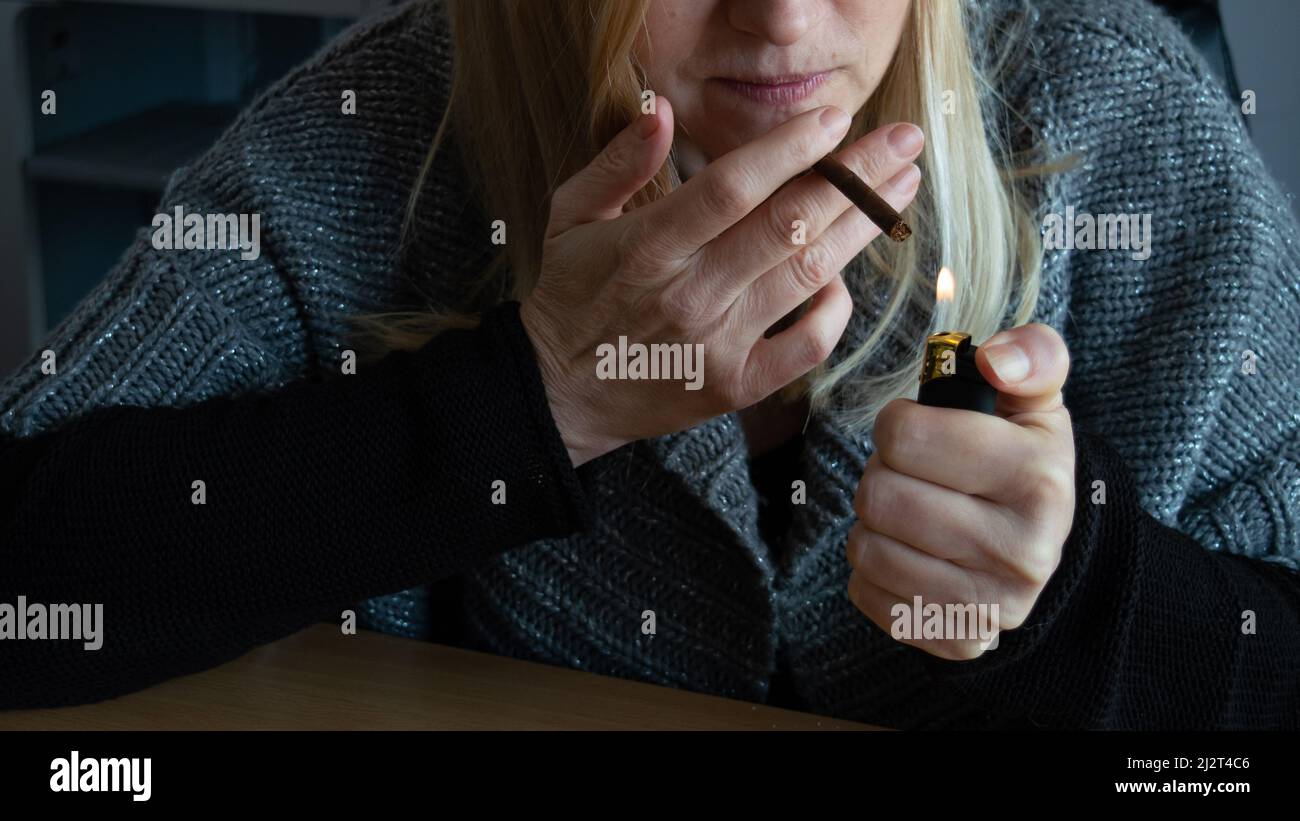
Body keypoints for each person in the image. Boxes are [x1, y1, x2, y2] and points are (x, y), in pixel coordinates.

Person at [1, 0, 1297, 729]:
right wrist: (534, 398)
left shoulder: (1122, 111)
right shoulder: (378, 128)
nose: (784, 23)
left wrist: (1088, 586)